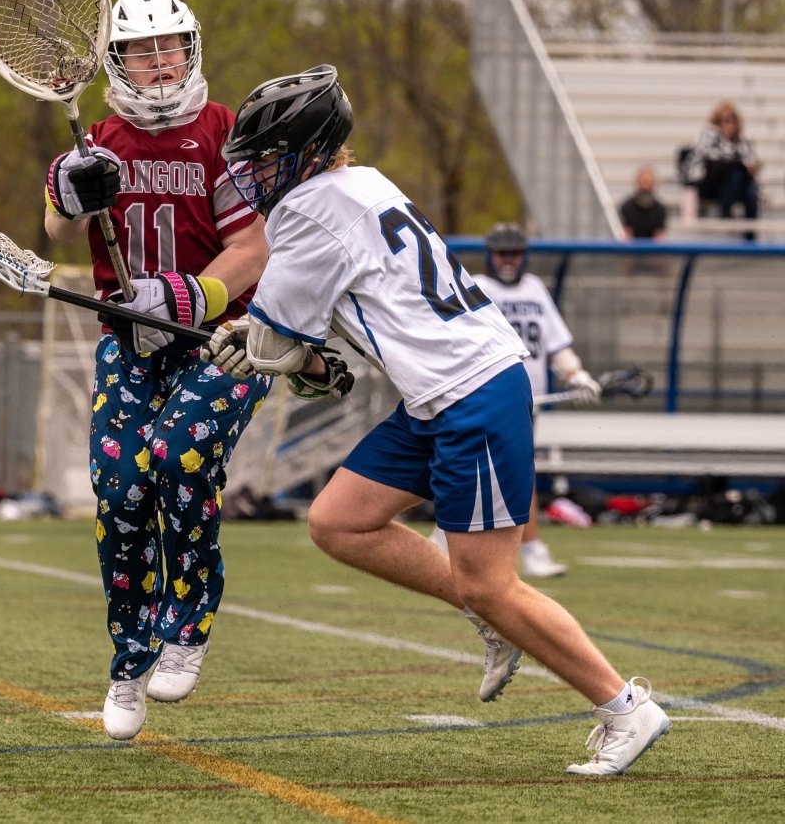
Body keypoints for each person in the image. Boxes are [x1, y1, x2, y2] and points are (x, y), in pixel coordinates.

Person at [204, 65, 670, 776]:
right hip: (439, 393)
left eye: (267, 158)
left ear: (304, 151)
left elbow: (275, 344)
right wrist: (274, 348)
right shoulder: (363, 185)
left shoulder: (306, 211)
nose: (256, 173)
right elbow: (315, 335)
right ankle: (489, 613)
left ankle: (623, 706)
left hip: (470, 392)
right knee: (339, 520)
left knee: (492, 580)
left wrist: (248, 343)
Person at [43, 0, 271, 741]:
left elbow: (253, 250)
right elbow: (53, 221)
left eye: (172, 45)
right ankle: (127, 660)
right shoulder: (99, 140)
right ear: (117, 60)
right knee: (120, 491)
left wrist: (184, 296)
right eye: (144, 49)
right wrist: (71, 191)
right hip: (128, 340)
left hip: (226, 336)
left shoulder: (225, 133)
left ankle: (188, 623)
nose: (162, 60)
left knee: (178, 458)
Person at [449, 223, 602, 579]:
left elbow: (555, 342)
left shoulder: (534, 287)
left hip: (524, 401)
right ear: (490, 255)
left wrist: (575, 374)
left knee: (510, 475)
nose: (508, 260)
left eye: (514, 253)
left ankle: (517, 549)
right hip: (485, 393)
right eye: (502, 253)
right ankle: (525, 550)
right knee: (478, 472)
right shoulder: (477, 287)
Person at [683, 101, 761, 237]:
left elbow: (751, 164)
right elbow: (705, 160)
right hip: (709, 183)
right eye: (722, 120)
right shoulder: (708, 136)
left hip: (734, 186)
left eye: (731, 120)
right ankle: (727, 212)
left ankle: (750, 232)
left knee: (750, 190)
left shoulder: (743, 141)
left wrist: (750, 168)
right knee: (735, 171)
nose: (727, 124)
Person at [619, 166, 667, 241]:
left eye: (649, 182)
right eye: (644, 182)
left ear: (654, 183)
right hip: (631, 250)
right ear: (637, 182)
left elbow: (659, 238)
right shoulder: (627, 207)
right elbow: (626, 237)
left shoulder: (660, 209)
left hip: (653, 251)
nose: (646, 186)